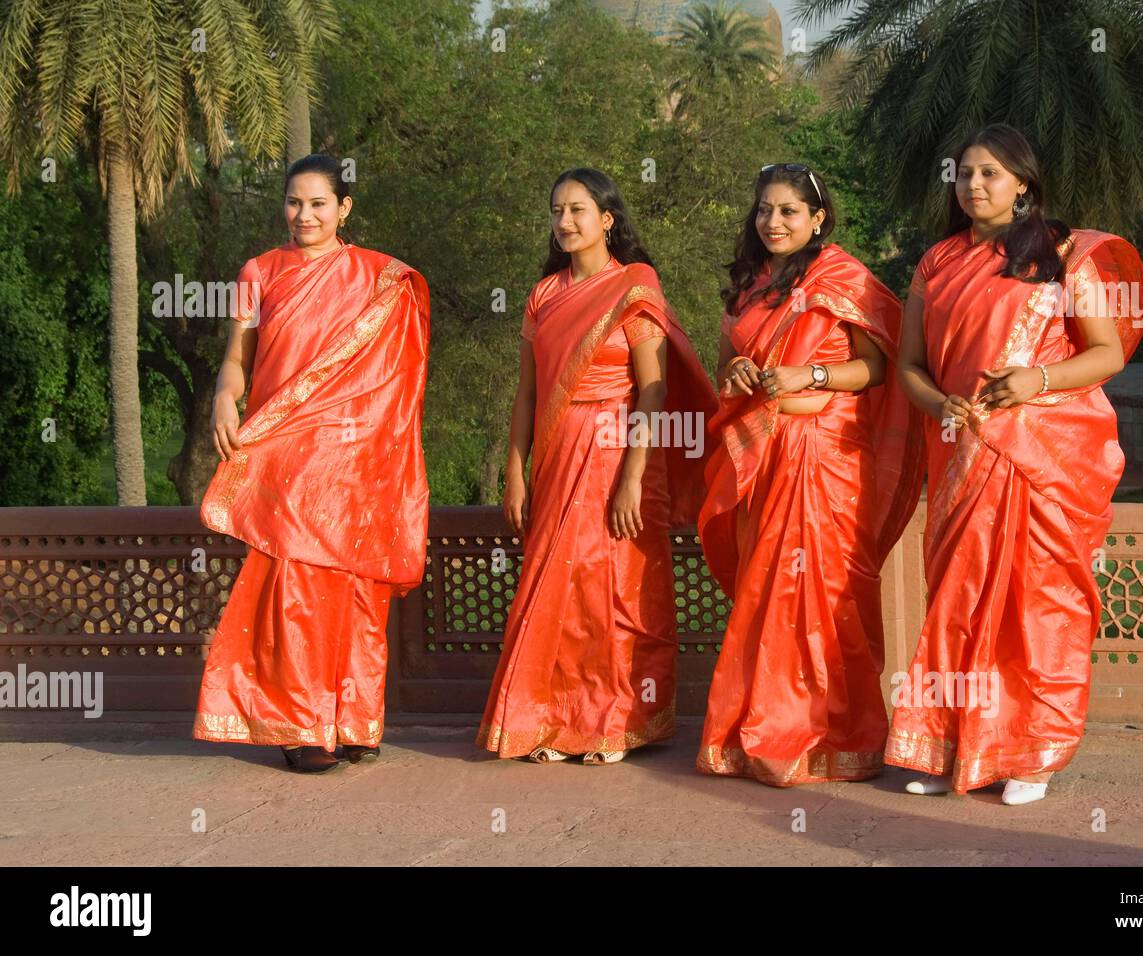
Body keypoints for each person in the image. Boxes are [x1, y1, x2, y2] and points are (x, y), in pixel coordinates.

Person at [886, 124, 1143, 805]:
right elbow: (909, 366)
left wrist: (1036, 379)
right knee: (958, 603)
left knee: (1035, 606)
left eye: (991, 174)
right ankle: (951, 748)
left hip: (1038, 458)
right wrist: (940, 402)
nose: (974, 185)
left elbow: (1106, 353)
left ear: (1023, 183)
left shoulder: (1061, 253)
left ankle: (1032, 754)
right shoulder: (936, 262)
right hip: (960, 453)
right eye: (965, 173)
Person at [193, 154, 431, 773]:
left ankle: (354, 719)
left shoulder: (380, 279)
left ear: (344, 208)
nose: (305, 215)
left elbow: (394, 379)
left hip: (354, 457)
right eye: (294, 202)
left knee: (354, 584)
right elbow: (238, 358)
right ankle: (299, 725)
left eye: (319, 203)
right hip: (286, 453)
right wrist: (225, 397)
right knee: (294, 582)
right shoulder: (259, 272)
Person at [476, 168, 717, 764]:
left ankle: (618, 722)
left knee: (616, 588)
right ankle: (555, 721)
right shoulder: (543, 296)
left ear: (607, 219)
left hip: (620, 449)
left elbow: (654, 390)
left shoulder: (635, 285)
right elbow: (528, 394)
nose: (565, 221)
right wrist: (515, 473)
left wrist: (633, 477)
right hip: (559, 453)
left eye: (578, 210)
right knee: (559, 585)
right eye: (557, 210)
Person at [695, 163, 924, 787]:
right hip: (763, 457)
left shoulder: (842, 278)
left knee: (827, 595)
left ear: (817, 219)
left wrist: (811, 374)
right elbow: (726, 368)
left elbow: (874, 370)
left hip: (827, 457)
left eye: (789, 211)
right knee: (766, 596)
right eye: (765, 210)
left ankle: (835, 738)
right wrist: (738, 373)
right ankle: (763, 732)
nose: (773, 222)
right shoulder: (747, 289)